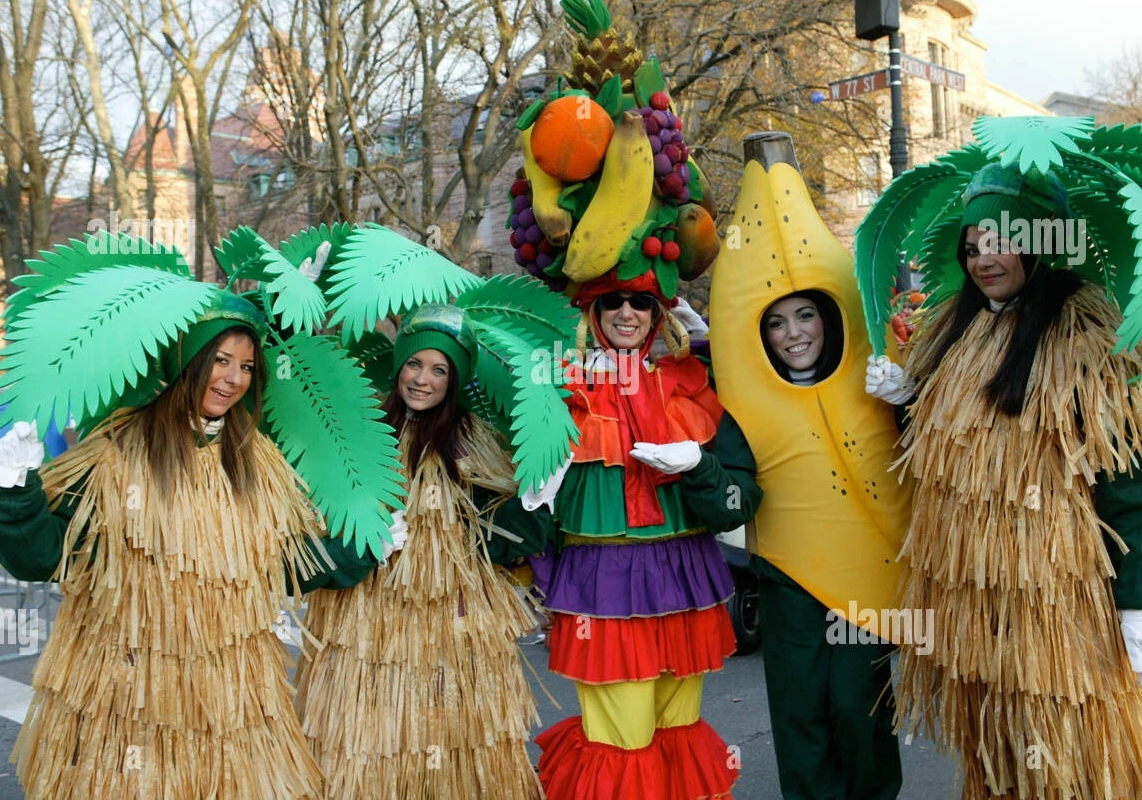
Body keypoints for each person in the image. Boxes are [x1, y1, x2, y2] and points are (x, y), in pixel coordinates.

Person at [0, 292, 389, 799]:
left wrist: (364, 547)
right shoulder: (118, 451)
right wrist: (15, 491)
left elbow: (287, 564)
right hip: (127, 698)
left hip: (231, 703)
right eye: (221, 360)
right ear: (188, 360)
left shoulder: (257, 459)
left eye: (247, 366)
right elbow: (43, 558)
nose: (232, 379)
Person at [866, 162, 1142, 798]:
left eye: (1001, 241)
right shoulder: (954, 325)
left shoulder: (1087, 335)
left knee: (1070, 750)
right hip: (973, 599)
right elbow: (947, 454)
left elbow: (1128, 477)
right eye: (973, 245)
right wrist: (907, 400)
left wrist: (1141, 602)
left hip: (1058, 597)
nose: (983, 259)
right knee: (996, 750)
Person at [707, 131, 912, 800]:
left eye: (806, 316)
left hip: (865, 577)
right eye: (776, 323)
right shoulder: (743, 406)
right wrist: (699, 475)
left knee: (860, 713)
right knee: (801, 723)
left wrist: (909, 405)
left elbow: (932, 459)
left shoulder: (876, 381)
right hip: (791, 585)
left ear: (828, 318)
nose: (794, 333)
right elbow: (728, 495)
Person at [293, 303, 555, 799]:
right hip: (363, 640)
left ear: (455, 380)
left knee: (454, 761)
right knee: (362, 756)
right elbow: (301, 552)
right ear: (398, 366)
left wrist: (534, 503)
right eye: (414, 364)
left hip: (456, 635)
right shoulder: (357, 434)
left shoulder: (474, 442)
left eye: (440, 370)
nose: (422, 380)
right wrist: (355, 547)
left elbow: (503, 544)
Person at [530, 270, 747, 800]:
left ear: (659, 313)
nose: (627, 314)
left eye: (642, 303)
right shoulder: (561, 385)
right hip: (602, 581)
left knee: (678, 723)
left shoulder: (687, 377)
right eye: (612, 302)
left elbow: (763, 379)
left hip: (685, 577)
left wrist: (712, 344)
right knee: (621, 735)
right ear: (592, 313)